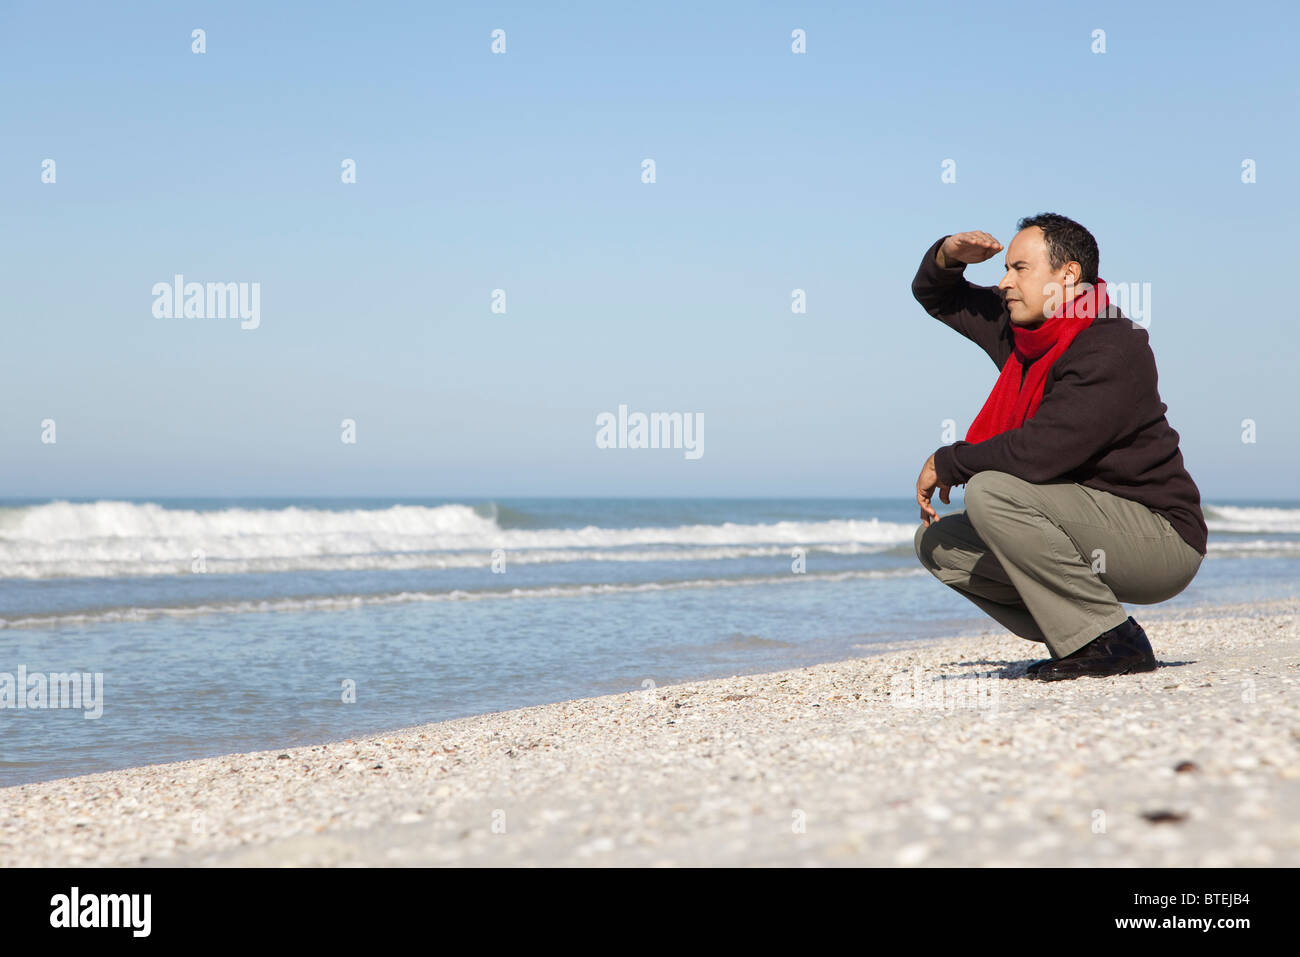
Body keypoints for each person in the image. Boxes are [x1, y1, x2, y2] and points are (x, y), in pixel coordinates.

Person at [911, 213, 1207, 681]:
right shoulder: (1022, 330)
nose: (1005, 282)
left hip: (1161, 539)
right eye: (1005, 269)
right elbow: (938, 296)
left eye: (1019, 269)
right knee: (939, 543)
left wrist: (949, 461)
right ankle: (1081, 633)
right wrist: (948, 256)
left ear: (1067, 276)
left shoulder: (1111, 346)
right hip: (1086, 526)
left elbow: (1041, 452)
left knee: (991, 491)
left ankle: (1109, 641)